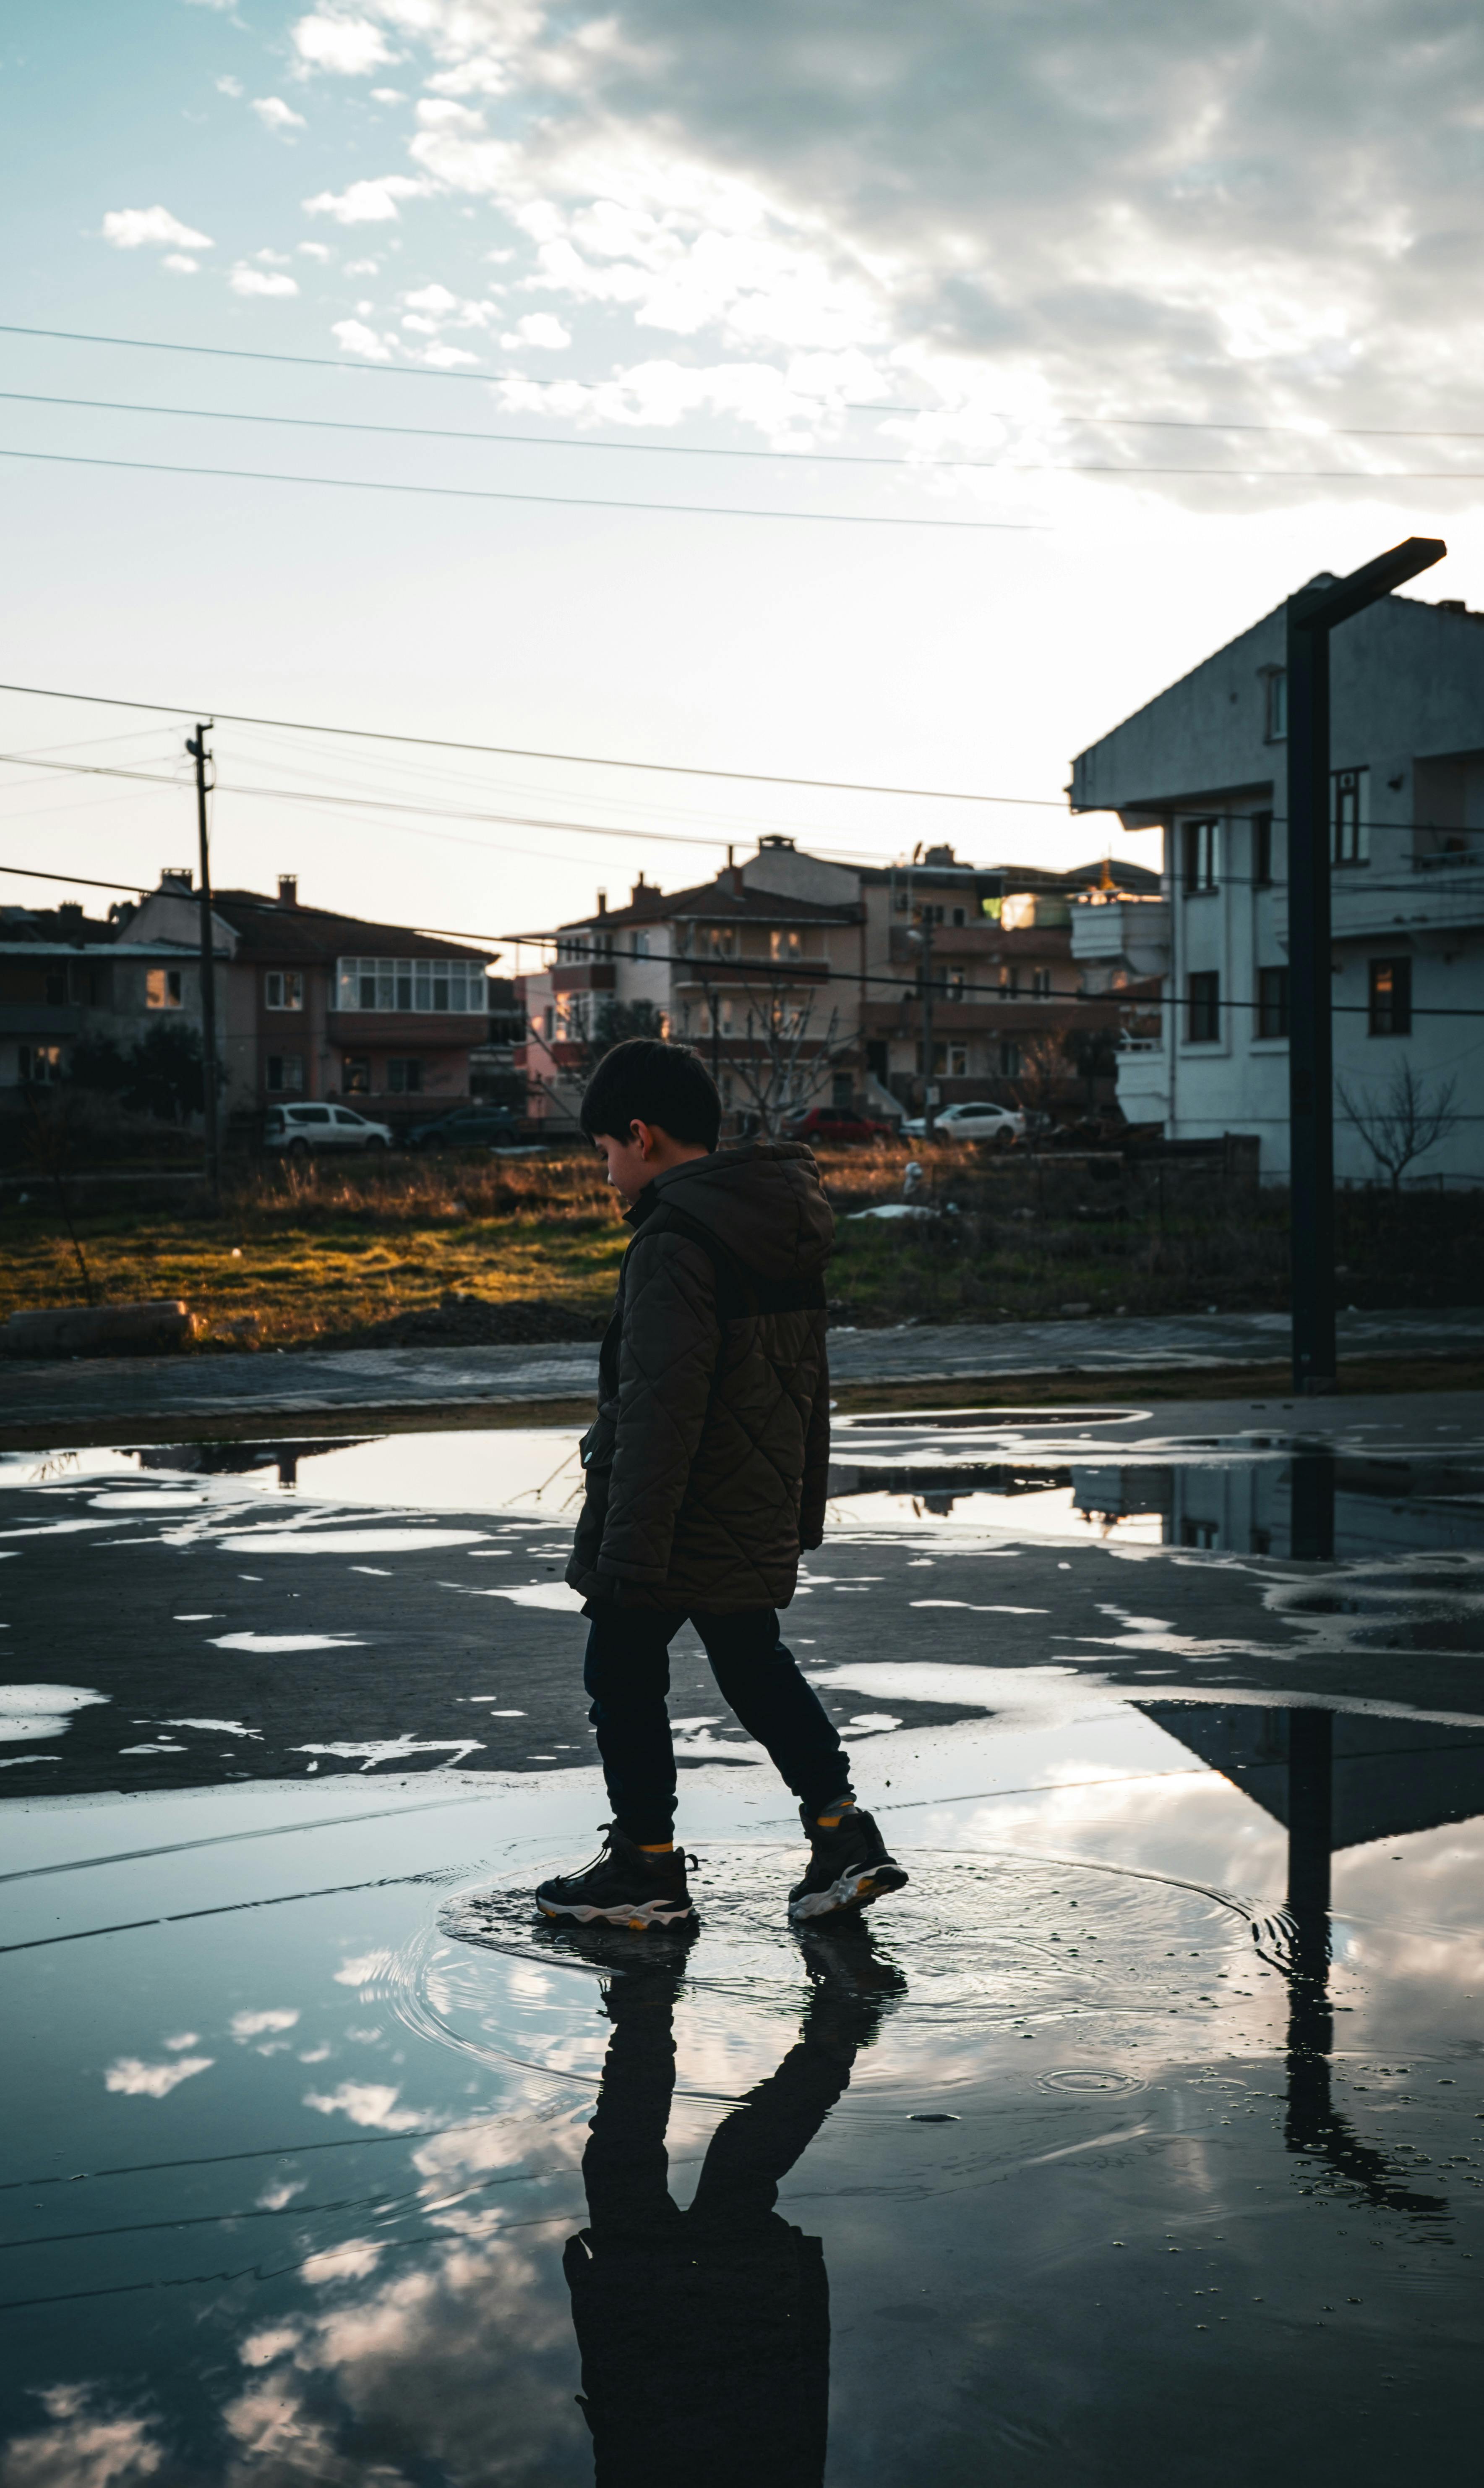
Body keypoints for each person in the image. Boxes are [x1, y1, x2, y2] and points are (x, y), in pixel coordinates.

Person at [535, 1038, 906, 1931]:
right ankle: (840, 1829)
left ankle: (645, 1865)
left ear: (641, 1135)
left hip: (679, 1509)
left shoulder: (673, 1240)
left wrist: (625, 1548)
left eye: (605, 1154)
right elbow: (805, 1389)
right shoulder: (771, 1223)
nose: (606, 1175)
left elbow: (659, 1411)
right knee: (750, 1661)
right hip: (751, 1497)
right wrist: (796, 1504)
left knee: (620, 1665)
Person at [557, 1921, 903, 2486]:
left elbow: (803, 2403)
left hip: (748, 2346)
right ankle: (647, 2001)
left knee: (726, 2176)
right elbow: (616, 2419)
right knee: (635, 2163)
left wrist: (803, 2289)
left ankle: (837, 2027)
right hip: (663, 2347)